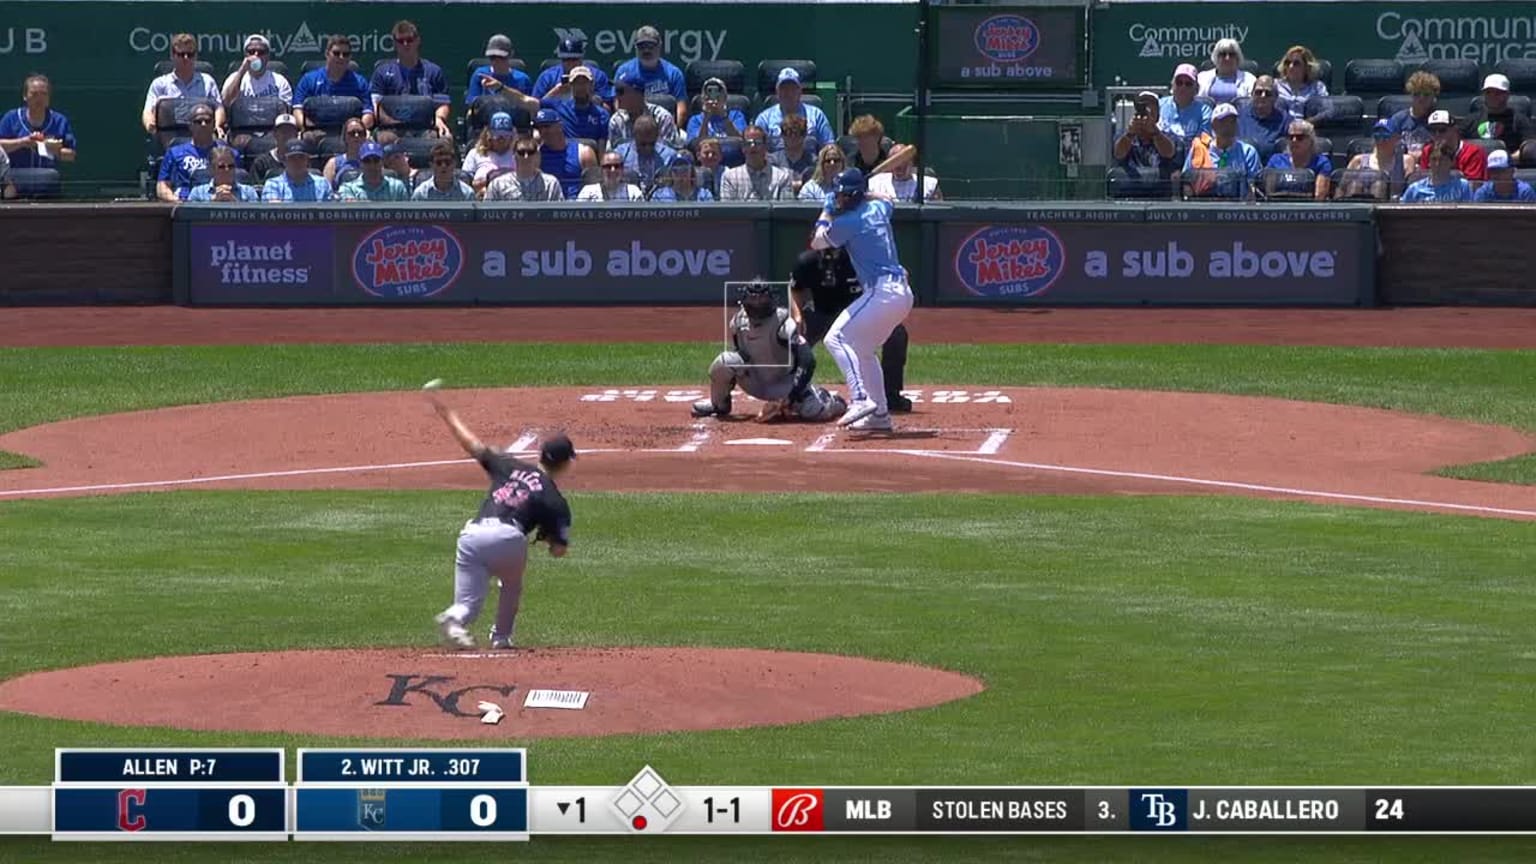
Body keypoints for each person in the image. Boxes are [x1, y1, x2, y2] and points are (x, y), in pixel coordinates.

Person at [422, 383, 573, 651]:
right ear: (564, 463)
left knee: (467, 603)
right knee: (511, 584)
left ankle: (454, 620)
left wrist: (446, 412)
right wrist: (549, 538)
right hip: (509, 537)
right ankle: (501, 638)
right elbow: (559, 550)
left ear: (541, 455)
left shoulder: (508, 465)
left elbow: (472, 444)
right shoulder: (555, 500)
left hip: (472, 535)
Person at [809, 168, 914, 432]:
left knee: (835, 338)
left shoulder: (849, 222)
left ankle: (859, 398)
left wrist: (826, 212)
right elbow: (889, 201)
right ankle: (879, 414)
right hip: (898, 293)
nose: (839, 198)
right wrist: (865, 193)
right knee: (863, 350)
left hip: (883, 292)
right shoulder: (877, 208)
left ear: (854, 196)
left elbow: (817, 242)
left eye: (844, 195)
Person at [690, 281, 848, 423]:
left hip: (784, 383)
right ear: (744, 300)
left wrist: (790, 397)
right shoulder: (738, 321)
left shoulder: (783, 321)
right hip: (755, 382)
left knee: (813, 411)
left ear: (772, 299)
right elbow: (740, 353)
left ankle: (831, 402)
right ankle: (719, 404)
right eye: (753, 299)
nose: (758, 304)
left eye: (762, 299)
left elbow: (807, 360)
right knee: (723, 362)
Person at [789, 247, 911, 413]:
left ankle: (891, 395)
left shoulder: (859, 259)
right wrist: (798, 315)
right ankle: (790, 394)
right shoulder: (807, 261)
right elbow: (795, 289)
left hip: (855, 313)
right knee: (790, 335)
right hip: (821, 313)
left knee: (897, 334)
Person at [370, 20, 451, 138]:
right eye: (401, 41)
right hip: (391, 128)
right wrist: (390, 122)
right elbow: (376, 105)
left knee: (445, 138)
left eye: (409, 40)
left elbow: (442, 104)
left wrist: (439, 119)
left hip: (425, 127)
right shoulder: (382, 72)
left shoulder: (434, 71)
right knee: (385, 138)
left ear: (417, 41)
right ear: (394, 44)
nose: (405, 44)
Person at [142, 33, 223, 135]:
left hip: (202, 136)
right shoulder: (160, 84)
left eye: (190, 55)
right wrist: (150, 124)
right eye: (181, 54)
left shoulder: (208, 82)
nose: (186, 58)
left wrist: (218, 126)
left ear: (195, 56)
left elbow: (218, 107)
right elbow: (148, 110)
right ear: (172, 56)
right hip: (170, 138)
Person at [293, 35, 374, 131]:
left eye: (345, 54)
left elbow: (368, 115)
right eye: (336, 53)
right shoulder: (308, 80)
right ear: (327, 54)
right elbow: (297, 111)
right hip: (316, 132)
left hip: (350, 133)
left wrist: (356, 131)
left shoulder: (360, 83)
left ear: (350, 57)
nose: (341, 57)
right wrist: (307, 128)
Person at [613, 25, 688, 128]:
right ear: (635, 47)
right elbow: (618, 105)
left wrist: (672, 132)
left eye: (650, 46)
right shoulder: (624, 72)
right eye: (642, 47)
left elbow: (681, 110)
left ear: (659, 46)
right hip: (631, 126)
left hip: (665, 126)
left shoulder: (673, 73)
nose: (646, 51)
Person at [156, 102, 234, 202]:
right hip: (184, 202)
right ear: (190, 125)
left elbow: (239, 180)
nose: (203, 124)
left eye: (208, 121)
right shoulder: (174, 153)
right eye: (198, 121)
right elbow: (162, 187)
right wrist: (177, 202)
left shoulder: (227, 153)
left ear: (214, 124)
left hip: (220, 199)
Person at [1182, 102, 1260, 199]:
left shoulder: (1248, 152)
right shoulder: (1200, 149)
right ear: (1213, 125)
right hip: (1205, 203)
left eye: (1232, 121)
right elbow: (1186, 180)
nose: (1228, 125)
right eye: (1223, 121)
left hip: (1237, 205)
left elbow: (1254, 186)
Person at [0, 74, 77, 170]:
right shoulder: (11, 118)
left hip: (48, 179)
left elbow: (71, 155)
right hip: (14, 178)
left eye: (44, 94)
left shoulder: (59, 121)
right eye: (34, 94)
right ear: (25, 96)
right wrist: (22, 142)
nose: (39, 99)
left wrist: (53, 150)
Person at [1111, 90, 1178, 198]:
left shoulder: (1169, 136)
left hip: (1160, 195)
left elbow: (1169, 152)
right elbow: (1118, 153)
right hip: (1129, 194)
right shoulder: (1124, 136)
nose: (1147, 109)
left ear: (1158, 114)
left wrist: (1154, 131)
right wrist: (1130, 133)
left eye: (1152, 106)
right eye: (1143, 105)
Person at [752, 67, 835, 153]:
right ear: (777, 92)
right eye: (784, 88)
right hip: (775, 164)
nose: (788, 93)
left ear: (800, 91)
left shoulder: (816, 115)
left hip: (811, 164)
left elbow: (828, 146)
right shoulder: (764, 119)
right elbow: (757, 150)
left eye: (792, 88)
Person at [1463, 74, 1534, 160]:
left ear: (1507, 95)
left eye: (1498, 93)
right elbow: (1456, 146)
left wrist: (1507, 159)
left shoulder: (1520, 121)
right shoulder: (1470, 120)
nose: (1492, 96)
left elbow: (1531, 146)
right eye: (1488, 92)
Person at [532, 36, 614, 108]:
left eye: (574, 59)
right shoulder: (548, 77)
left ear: (582, 57)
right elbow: (533, 107)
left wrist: (587, 94)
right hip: (556, 121)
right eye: (566, 59)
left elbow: (608, 110)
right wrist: (556, 92)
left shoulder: (597, 76)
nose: (570, 63)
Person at [608, 71, 681, 150]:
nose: (616, 96)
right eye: (616, 91)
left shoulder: (662, 118)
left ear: (637, 93)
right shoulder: (616, 120)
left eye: (620, 91)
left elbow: (668, 152)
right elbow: (616, 154)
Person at [1339, 119, 1410, 200]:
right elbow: (1342, 187)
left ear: (1396, 138)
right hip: (1358, 203)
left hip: (1389, 206)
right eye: (1377, 135)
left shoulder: (1405, 161)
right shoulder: (1358, 160)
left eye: (1386, 136)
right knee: (1355, 185)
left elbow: (1409, 189)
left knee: (1379, 185)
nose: (1381, 140)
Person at [534, 108, 596, 199]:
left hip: (578, 205)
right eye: (539, 128)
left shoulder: (583, 152)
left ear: (559, 126)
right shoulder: (536, 155)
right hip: (548, 205)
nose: (543, 131)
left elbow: (594, 186)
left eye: (547, 126)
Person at [720, 125, 795, 200]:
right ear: (743, 148)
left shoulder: (782, 177)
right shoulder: (730, 177)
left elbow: (785, 209)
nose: (753, 146)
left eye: (757, 143)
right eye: (748, 143)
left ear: (765, 146)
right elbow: (727, 210)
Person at [1417, 109, 1487, 189]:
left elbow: (1473, 187)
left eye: (1442, 130)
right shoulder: (1427, 151)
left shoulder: (1474, 152)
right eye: (1432, 130)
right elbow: (1423, 182)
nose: (1437, 134)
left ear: (1454, 129)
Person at [540, 65, 609, 144]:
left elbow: (602, 144)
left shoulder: (602, 114)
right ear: (570, 85)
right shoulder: (559, 106)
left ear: (591, 85)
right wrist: (556, 90)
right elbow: (535, 105)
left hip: (591, 154)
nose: (581, 87)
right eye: (577, 83)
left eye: (584, 83)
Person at [1264, 119, 1332, 200]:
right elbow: (1269, 193)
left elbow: (1320, 196)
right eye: (1291, 137)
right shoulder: (1276, 160)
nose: (1294, 140)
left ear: (1310, 140)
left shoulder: (1321, 163)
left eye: (1300, 137)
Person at [485, 134, 564, 201]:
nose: (526, 157)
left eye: (530, 152)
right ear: (514, 155)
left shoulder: (551, 184)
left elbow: (559, 214)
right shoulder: (498, 184)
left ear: (537, 156)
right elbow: (486, 214)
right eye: (521, 152)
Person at [611, 115, 676, 195]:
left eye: (651, 144)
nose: (647, 148)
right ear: (634, 136)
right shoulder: (620, 154)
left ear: (657, 137)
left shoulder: (669, 156)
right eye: (643, 144)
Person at [465, 34, 535, 109]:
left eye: (500, 57)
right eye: (492, 57)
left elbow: (531, 105)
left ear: (511, 54)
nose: (496, 61)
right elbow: (471, 103)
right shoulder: (480, 75)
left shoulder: (522, 79)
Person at [221, 34, 292, 107]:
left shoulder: (280, 81)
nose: (256, 55)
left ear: (268, 56)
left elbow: (286, 110)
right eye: (251, 51)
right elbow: (226, 102)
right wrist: (242, 70)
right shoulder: (233, 78)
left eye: (261, 52)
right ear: (245, 55)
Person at [1158, 63, 1212, 150]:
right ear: (1172, 85)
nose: (1183, 87)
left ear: (1196, 89)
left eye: (1188, 84)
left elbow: (1203, 145)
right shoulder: (1159, 105)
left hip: (1192, 159)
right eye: (1179, 83)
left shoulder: (1205, 112)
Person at [463, 111, 517, 195]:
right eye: (497, 135)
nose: (501, 139)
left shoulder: (519, 154)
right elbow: (465, 183)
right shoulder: (475, 154)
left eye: (505, 135)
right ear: (489, 134)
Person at [1275, 44, 1331, 125]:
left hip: (1309, 130)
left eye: (1296, 63)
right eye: (1287, 63)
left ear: (1307, 67)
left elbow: (1328, 111)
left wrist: (1306, 124)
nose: (1291, 66)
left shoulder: (1317, 87)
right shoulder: (1276, 85)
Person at [1401, 140, 1473, 203]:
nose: (1437, 164)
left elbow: (1470, 214)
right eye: (1434, 159)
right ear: (1429, 162)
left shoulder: (1462, 187)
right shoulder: (1415, 189)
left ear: (1452, 162)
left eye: (1442, 160)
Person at [262, 140, 334, 202]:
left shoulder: (322, 184)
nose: (297, 161)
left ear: (307, 160)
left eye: (301, 157)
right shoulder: (273, 185)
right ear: (284, 161)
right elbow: (274, 212)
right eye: (292, 158)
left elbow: (330, 212)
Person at [1386, 71, 1440, 152]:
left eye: (1426, 94)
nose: (1421, 99)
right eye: (1417, 94)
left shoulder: (1439, 120)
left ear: (1434, 97)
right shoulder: (1398, 120)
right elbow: (1387, 147)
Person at [339, 141, 410, 201]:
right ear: (360, 163)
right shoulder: (348, 189)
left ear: (382, 162)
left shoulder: (397, 187)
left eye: (376, 160)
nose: (372, 165)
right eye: (367, 161)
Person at [184, 146, 260, 201]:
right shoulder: (197, 193)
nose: (227, 170)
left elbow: (256, 220)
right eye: (221, 167)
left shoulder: (249, 192)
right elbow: (192, 218)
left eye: (231, 166)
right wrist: (212, 204)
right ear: (211, 169)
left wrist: (236, 205)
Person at [1236, 75, 1286, 158]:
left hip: (1271, 168)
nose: (1263, 96)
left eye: (1268, 93)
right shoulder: (1238, 116)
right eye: (1258, 92)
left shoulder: (1285, 120)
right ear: (1252, 94)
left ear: (1276, 97)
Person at [687, 77, 747, 142]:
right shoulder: (695, 120)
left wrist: (724, 116)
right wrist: (705, 119)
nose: (713, 98)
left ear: (725, 97)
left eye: (718, 94)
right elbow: (697, 146)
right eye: (708, 93)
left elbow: (741, 142)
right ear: (703, 98)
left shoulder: (736, 116)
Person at [1197, 38, 1255, 105]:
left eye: (1231, 54)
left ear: (1237, 58)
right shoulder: (1202, 78)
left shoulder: (1249, 79)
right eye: (1223, 54)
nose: (1227, 58)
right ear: (1216, 57)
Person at [769, 114, 816, 187]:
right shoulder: (772, 161)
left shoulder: (814, 162)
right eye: (788, 133)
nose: (792, 137)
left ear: (805, 134)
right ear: (781, 135)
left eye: (797, 133)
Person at [868, 155, 940, 202]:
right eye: (896, 165)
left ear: (911, 163)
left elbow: (939, 211)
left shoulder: (929, 184)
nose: (900, 169)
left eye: (904, 164)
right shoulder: (875, 182)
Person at [324, 118, 370, 190]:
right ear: (344, 137)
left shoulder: (373, 160)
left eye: (360, 133)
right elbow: (326, 189)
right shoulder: (333, 163)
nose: (356, 136)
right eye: (352, 133)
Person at [578, 152, 644, 201]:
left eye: (617, 166)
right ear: (601, 170)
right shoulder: (588, 192)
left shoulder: (633, 192)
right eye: (608, 166)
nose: (613, 170)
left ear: (623, 170)